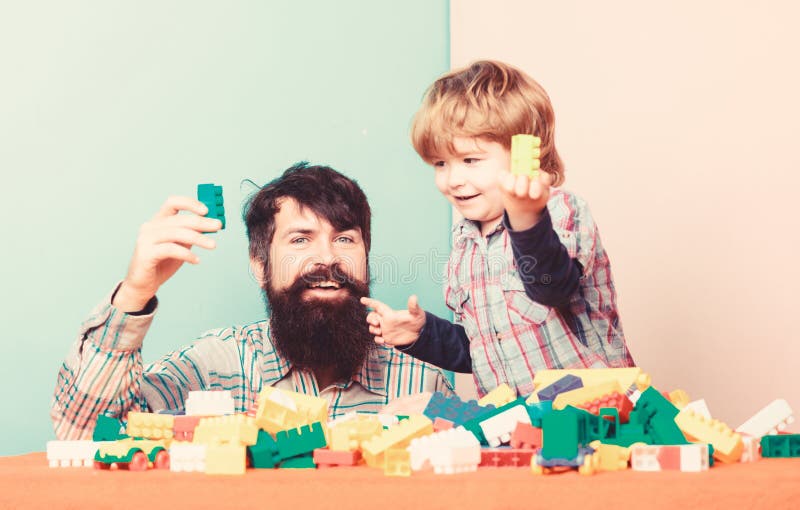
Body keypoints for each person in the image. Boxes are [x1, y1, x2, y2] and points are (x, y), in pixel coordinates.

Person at [51, 162, 453, 439]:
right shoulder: (212, 366)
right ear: (260, 265)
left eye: (345, 239)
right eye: (300, 240)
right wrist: (135, 293)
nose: (328, 259)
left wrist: (449, 421)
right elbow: (83, 433)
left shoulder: (421, 379)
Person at [361, 60, 635, 398]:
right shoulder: (465, 244)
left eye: (471, 160)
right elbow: (485, 349)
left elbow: (552, 287)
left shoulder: (560, 209)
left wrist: (525, 218)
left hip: (596, 413)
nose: (453, 180)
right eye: (440, 164)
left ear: (523, 154)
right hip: (517, 427)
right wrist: (423, 334)